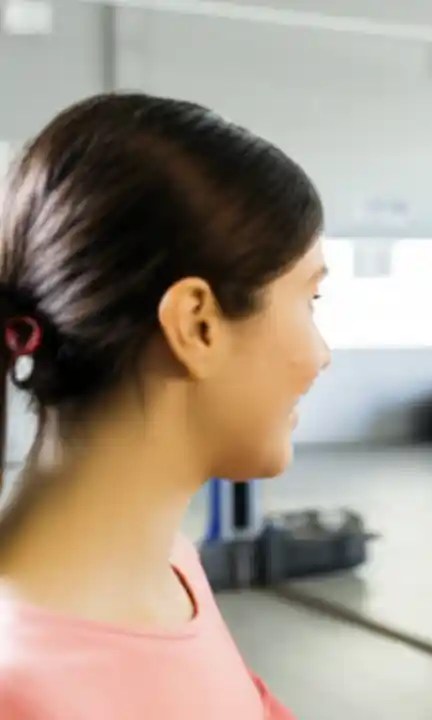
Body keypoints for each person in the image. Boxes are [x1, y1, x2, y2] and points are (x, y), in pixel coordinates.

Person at [0, 92, 331, 718]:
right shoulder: (22, 690)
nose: (321, 355)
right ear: (197, 324)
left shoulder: (171, 569)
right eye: (310, 300)